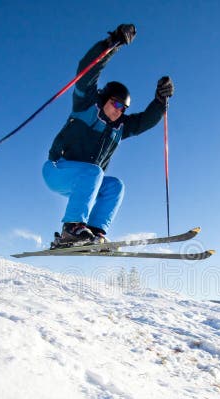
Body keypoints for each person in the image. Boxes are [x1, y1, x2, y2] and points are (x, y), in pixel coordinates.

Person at [43, 23, 175, 247]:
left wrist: (160, 102)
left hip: (85, 181)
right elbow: (87, 70)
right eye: (115, 103)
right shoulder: (86, 105)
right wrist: (112, 44)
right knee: (93, 172)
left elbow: (145, 121)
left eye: (123, 108)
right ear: (105, 99)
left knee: (115, 186)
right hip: (58, 169)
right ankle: (72, 229)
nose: (119, 110)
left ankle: (93, 232)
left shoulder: (119, 127)